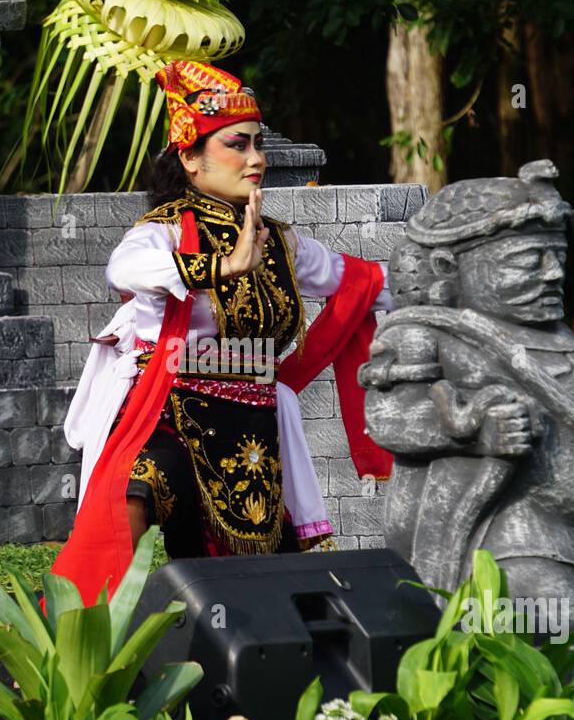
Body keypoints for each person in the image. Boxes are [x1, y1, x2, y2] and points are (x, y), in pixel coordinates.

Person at [52, 59, 394, 602]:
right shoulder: (163, 234)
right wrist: (222, 267)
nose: (256, 158)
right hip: (168, 414)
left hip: (254, 424)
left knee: (260, 579)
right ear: (190, 157)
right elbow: (123, 271)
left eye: (258, 144)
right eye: (238, 145)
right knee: (129, 498)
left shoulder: (278, 242)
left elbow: (360, 282)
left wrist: (445, 282)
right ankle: (89, 639)